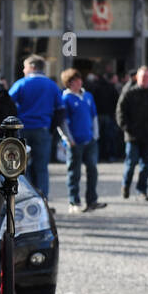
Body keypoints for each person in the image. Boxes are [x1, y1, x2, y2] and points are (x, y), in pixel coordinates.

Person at [7, 55, 61, 199]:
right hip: (43, 130)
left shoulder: (21, 84)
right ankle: (43, 198)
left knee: (23, 167)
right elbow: (60, 110)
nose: (23, 70)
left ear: (32, 67)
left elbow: (8, 103)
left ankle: (27, 197)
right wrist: (52, 130)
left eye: (25, 67)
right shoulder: (52, 85)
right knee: (42, 167)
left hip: (23, 130)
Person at [115, 66, 148, 201]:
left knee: (146, 166)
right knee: (131, 163)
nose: (145, 79)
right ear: (137, 77)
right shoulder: (129, 94)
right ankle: (126, 186)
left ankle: (142, 190)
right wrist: (126, 128)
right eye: (143, 77)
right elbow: (120, 113)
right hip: (133, 136)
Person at [59, 68, 102, 213]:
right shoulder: (65, 99)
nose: (79, 82)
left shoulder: (88, 96)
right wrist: (68, 139)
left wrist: (95, 134)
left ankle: (92, 200)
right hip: (75, 142)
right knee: (74, 172)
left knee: (92, 170)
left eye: (80, 80)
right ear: (69, 83)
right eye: (75, 80)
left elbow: (94, 116)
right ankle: (74, 200)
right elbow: (63, 122)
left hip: (89, 139)